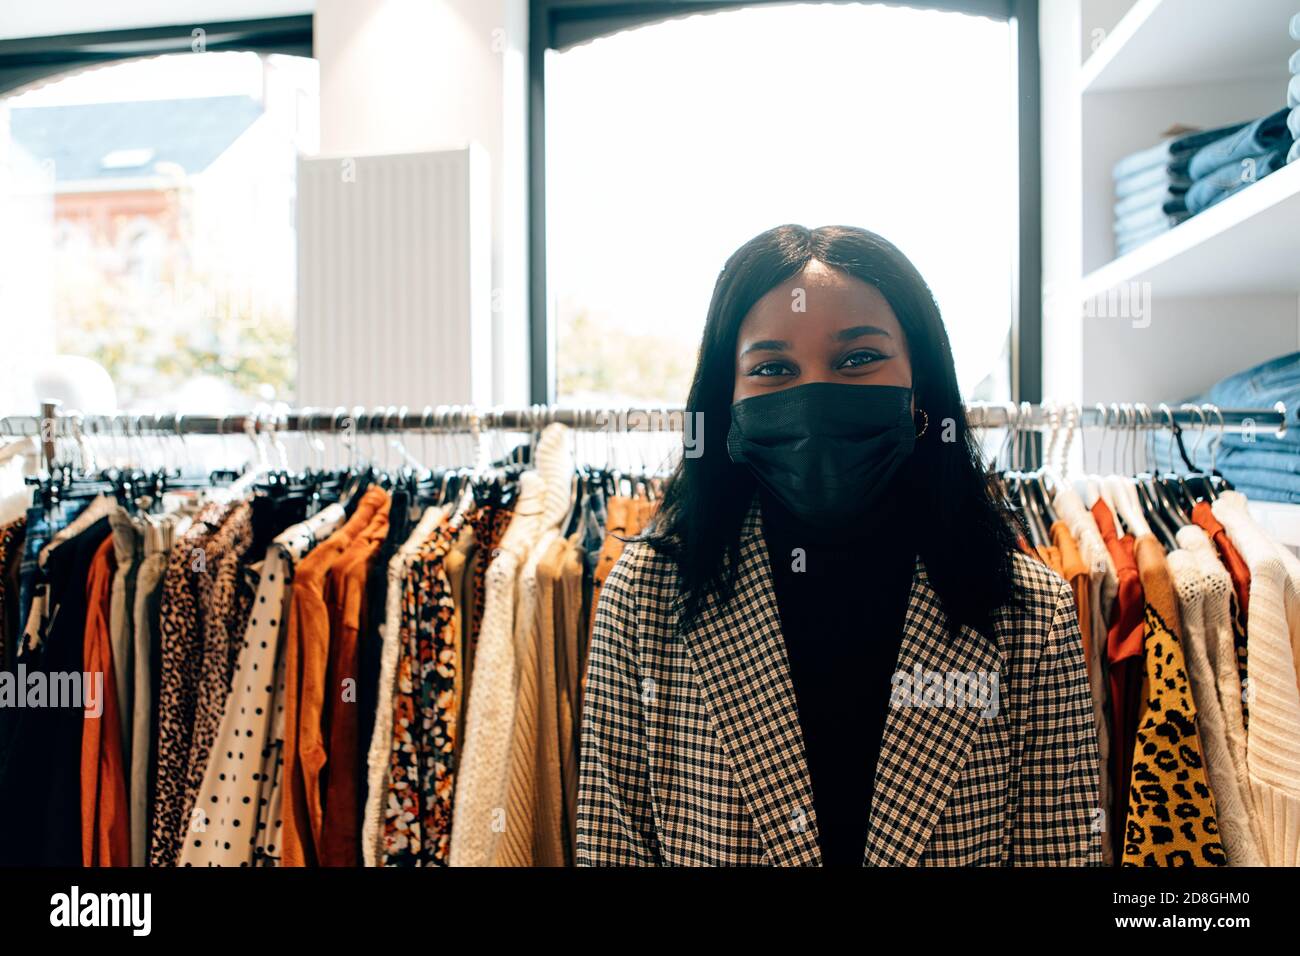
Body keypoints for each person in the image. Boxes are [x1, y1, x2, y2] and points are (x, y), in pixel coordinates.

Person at [576, 224, 1103, 866]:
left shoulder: (1027, 609)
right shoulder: (646, 598)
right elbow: (614, 849)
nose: (814, 395)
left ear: (921, 388)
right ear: (727, 400)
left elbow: (1060, 851)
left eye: (857, 359)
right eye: (773, 368)